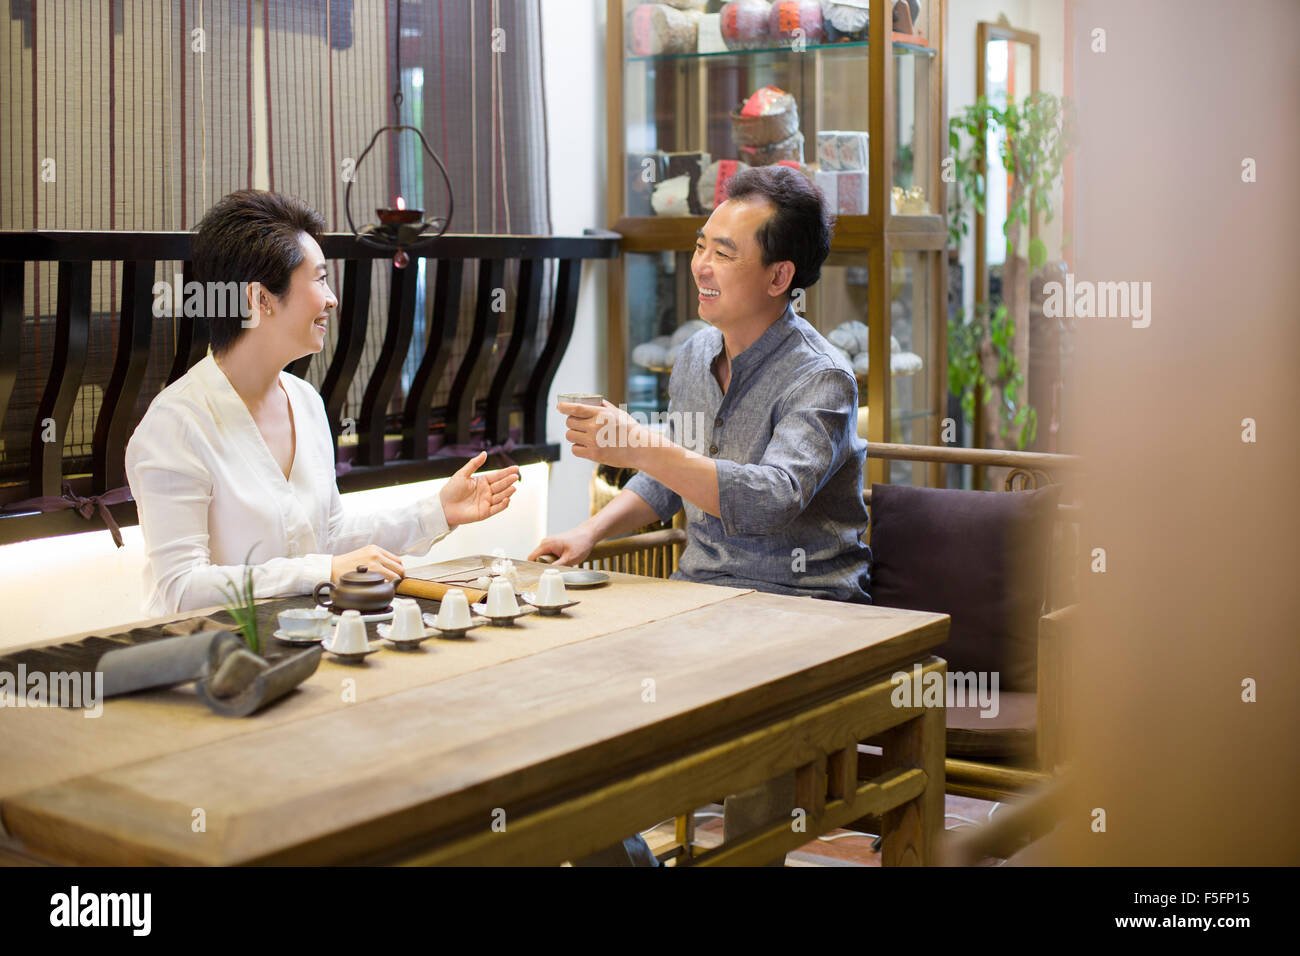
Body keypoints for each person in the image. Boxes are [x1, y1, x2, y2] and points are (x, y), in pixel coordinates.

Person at [531, 165, 870, 864]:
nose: (700, 267)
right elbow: (669, 481)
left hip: (803, 611)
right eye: (700, 245)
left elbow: (770, 499)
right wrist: (588, 531)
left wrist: (641, 444)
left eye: (725, 253)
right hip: (703, 602)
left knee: (760, 733)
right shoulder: (693, 354)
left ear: (779, 278)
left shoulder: (823, 377)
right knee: (567, 701)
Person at [126, 190, 519, 617]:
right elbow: (181, 590)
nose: (331, 299)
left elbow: (328, 536)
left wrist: (438, 511)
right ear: (261, 300)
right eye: (319, 279)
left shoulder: (306, 402)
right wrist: (321, 570)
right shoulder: (175, 425)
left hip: (301, 647)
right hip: (211, 667)